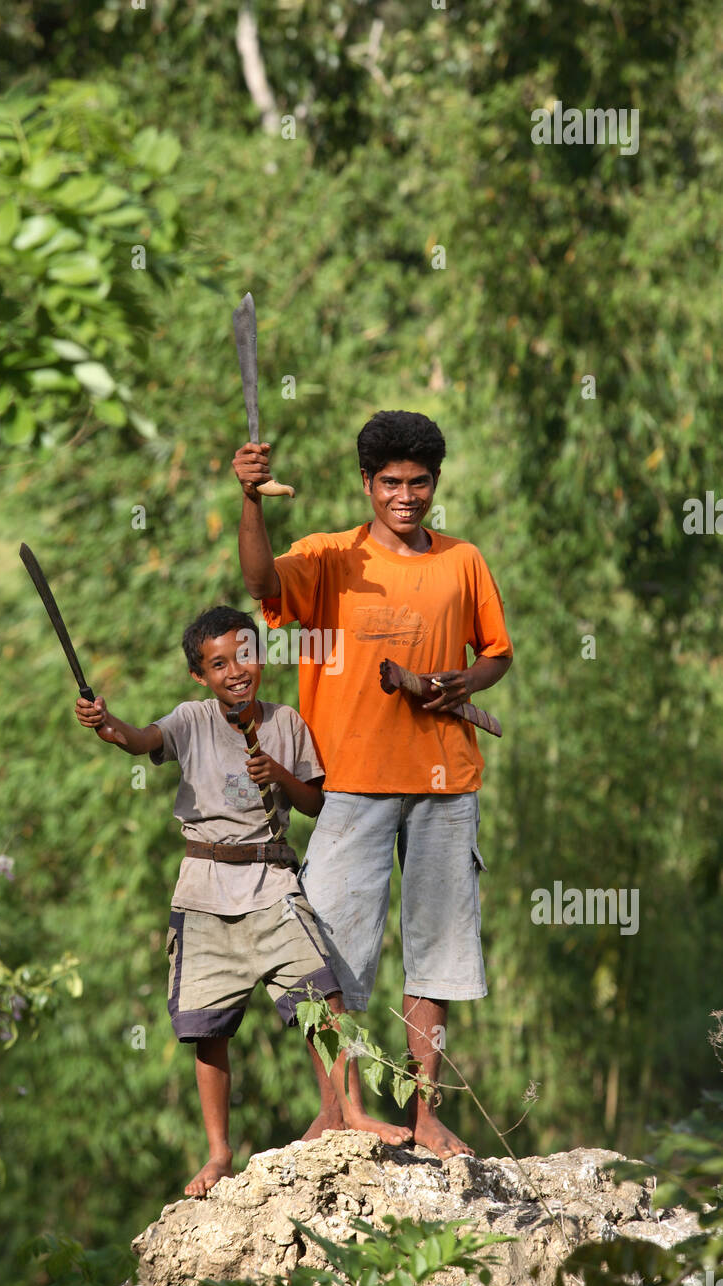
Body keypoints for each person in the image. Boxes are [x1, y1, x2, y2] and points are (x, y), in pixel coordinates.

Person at [234, 411, 513, 1159]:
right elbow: (259, 581)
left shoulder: (463, 561)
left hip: (444, 784)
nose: (406, 496)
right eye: (390, 482)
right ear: (366, 483)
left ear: (436, 483)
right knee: (327, 951)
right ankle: (337, 1111)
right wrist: (251, 498)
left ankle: (425, 1115)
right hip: (348, 787)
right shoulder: (327, 558)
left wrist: (464, 682)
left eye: (419, 482)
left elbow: (496, 653)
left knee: (437, 955)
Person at [74, 604, 411, 1196]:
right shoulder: (192, 720)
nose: (236, 670)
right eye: (218, 663)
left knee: (324, 998)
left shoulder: (286, 722)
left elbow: (313, 802)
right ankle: (219, 1153)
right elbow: (137, 739)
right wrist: (107, 722)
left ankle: (351, 1112)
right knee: (210, 1030)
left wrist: (278, 774)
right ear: (199, 676)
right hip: (205, 892)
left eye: (245, 655)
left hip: (273, 881)